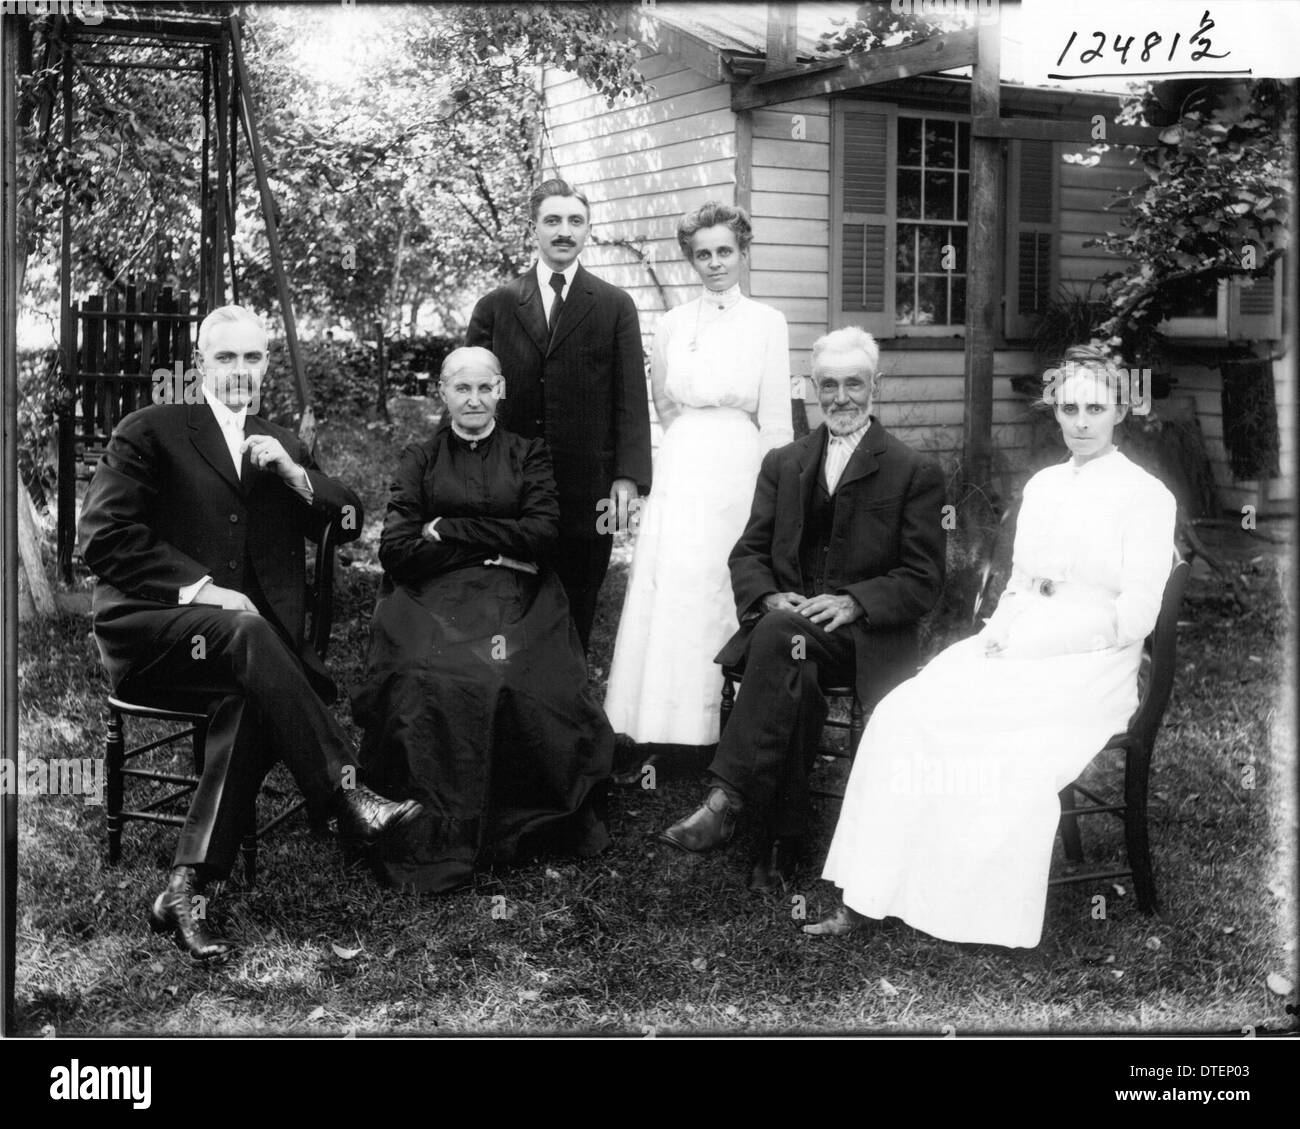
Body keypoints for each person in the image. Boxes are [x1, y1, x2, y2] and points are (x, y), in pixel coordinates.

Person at [79, 305, 421, 962]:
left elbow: (348, 519)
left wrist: (298, 477)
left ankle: (186, 888)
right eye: (227, 358)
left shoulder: (281, 443)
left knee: (250, 693)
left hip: (247, 656)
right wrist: (201, 588)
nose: (241, 371)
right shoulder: (153, 429)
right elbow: (103, 537)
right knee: (247, 635)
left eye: (253, 358)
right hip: (153, 633)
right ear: (201, 363)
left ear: (266, 364)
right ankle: (349, 793)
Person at [805, 346, 1177, 947]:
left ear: (1121, 412)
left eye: (1095, 408)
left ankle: (962, 905)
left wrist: (1043, 643)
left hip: (1093, 662)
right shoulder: (1044, 484)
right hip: (1019, 638)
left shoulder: (1147, 496)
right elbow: (1022, 584)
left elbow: (1134, 616)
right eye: (1070, 407)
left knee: (995, 734)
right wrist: (1000, 633)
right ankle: (869, 892)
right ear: (1055, 411)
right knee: (906, 712)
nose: (1081, 421)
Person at [656, 327, 948, 892]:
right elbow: (749, 552)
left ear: (875, 387)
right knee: (797, 671)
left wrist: (855, 601)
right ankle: (780, 838)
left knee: (780, 637)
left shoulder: (913, 471)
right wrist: (768, 595)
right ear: (813, 388)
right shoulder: (784, 463)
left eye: (854, 384)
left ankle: (725, 798)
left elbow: (924, 579)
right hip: (790, 641)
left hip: (864, 642)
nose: (841, 397)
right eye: (829, 384)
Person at [350, 347, 614, 892]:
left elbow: (542, 536)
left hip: (515, 591)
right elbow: (397, 551)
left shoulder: (528, 453)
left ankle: (501, 820)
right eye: (461, 388)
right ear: (442, 393)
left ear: (500, 392)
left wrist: (447, 530)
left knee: (503, 673)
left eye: (484, 388)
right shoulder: (419, 457)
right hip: (429, 594)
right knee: (424, 674)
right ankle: (423, 819)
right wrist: (494, 543)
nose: (473, 399)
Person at [603, 202, 793, 767]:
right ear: (691, 259)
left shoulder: (768, 322)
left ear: (743, 252)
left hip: (739, 463)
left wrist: (772, 487)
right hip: (685, 462)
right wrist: (684, 450)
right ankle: (666, 726)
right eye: (703, 254)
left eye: (725, 252)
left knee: (723, 583)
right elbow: (662, 401)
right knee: (676, 585)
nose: (715, 263)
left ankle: (730, 725)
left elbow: (777, 416)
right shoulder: (672, 323)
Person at [466, 178, 652, 651]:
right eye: (552, 221)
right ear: (533, 230)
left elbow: (630, 398)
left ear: (588, 230)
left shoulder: (614, 306)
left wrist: (627, 478)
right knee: (510, 608)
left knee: (575, 610)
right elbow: (471, 397)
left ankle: (566, 710)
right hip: (510, 488)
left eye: (575, 221)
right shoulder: (497, 305)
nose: (564, 231)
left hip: (587, 487)